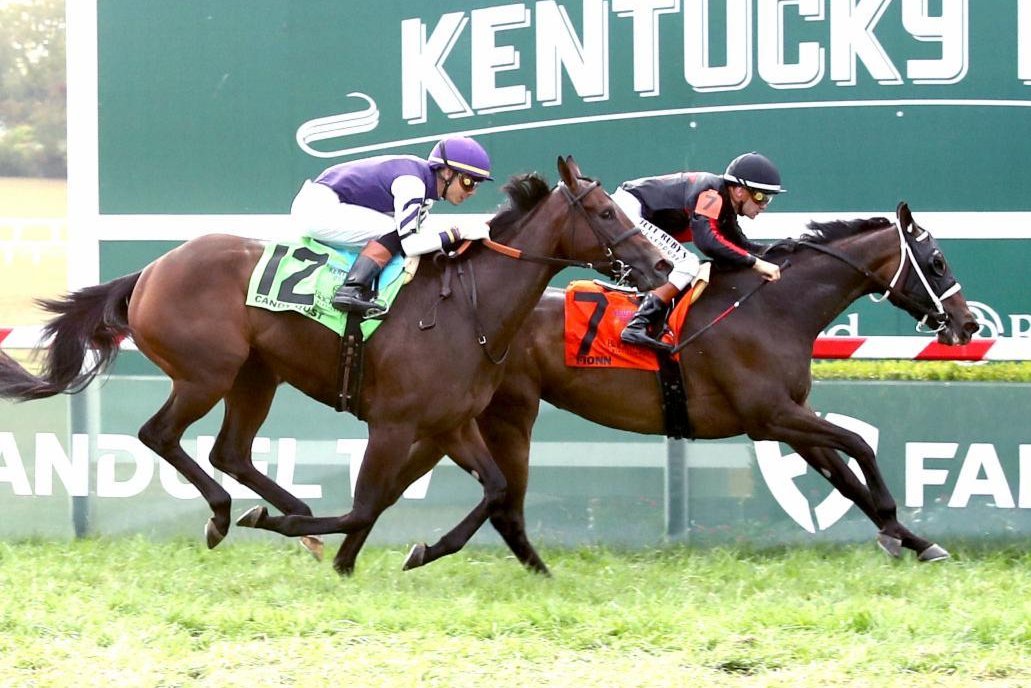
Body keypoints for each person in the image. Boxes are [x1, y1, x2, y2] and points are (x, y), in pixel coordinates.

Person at [290, 136, 494, 313]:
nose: (472, 192)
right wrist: (460, 231)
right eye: (469, 182)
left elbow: (423, 237)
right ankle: (349, 291)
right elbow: (411, 245)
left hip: (327, 201)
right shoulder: (413, 184)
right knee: (393, 230)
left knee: (400, 232)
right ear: (447, 172)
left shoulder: (424, 190)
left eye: (477, 184)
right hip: (317, 208)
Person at [611, 151, 785, 352]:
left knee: (680, 266)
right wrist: (756, 263)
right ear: (739, 191)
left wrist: (780, 250)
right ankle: (637, 325)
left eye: (768, 199)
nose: (763, 206)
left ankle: (656, 324)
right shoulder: (711, 193)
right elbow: (707, 242)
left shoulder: (725, 204)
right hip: (629, 209)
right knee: (688, 264)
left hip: (636, 211)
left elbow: (741, 244)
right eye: (761, 197)